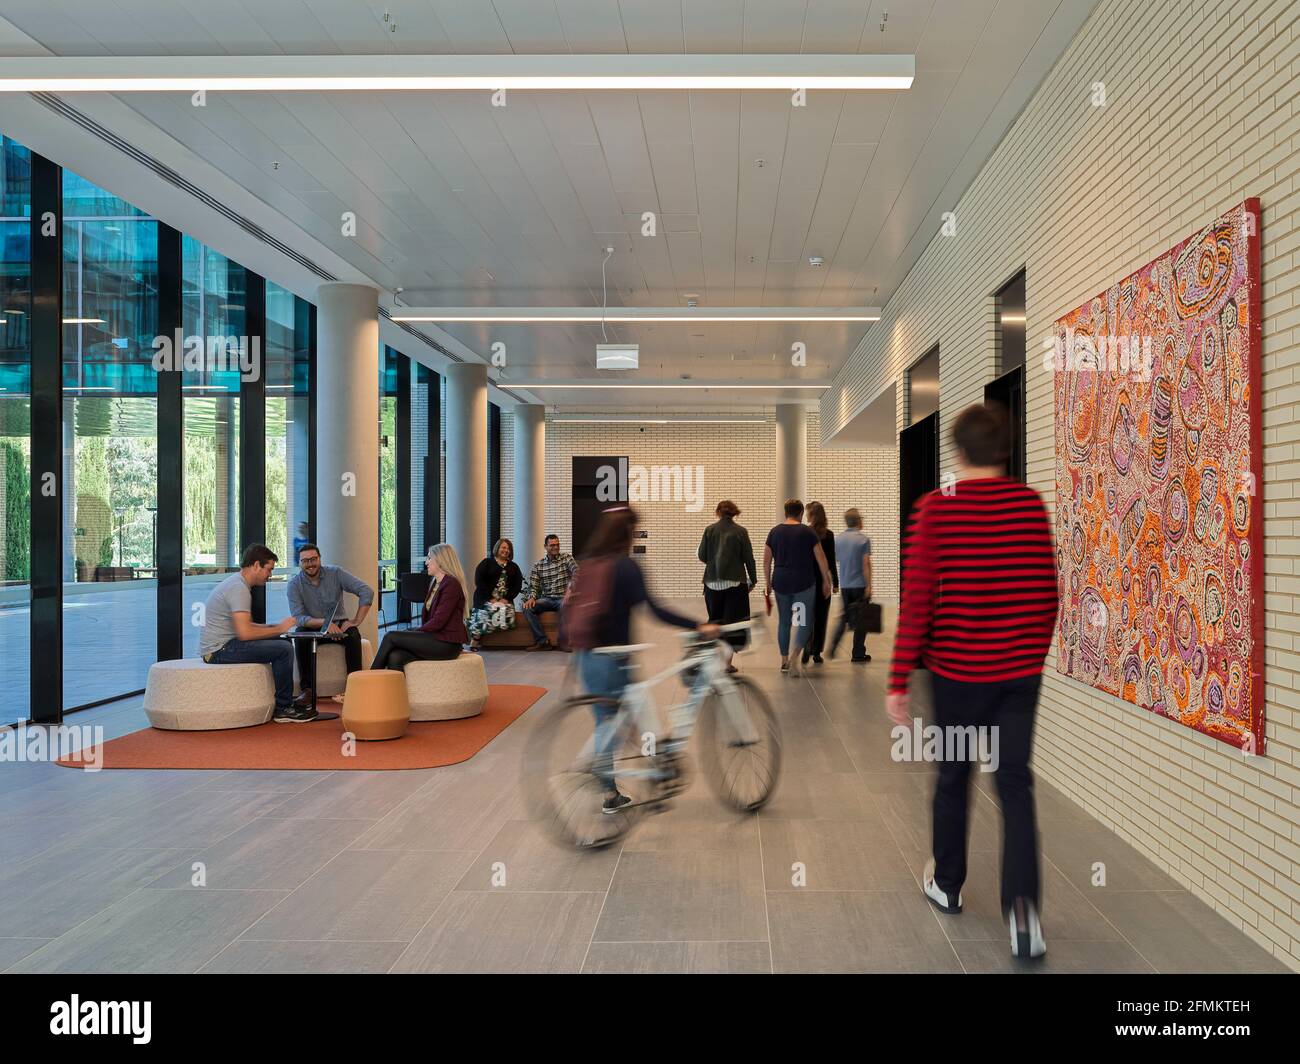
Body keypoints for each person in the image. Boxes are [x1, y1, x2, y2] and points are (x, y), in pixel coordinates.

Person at [887, 403, 1059, 959]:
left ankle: (948, 885)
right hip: (1018, 677)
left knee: (953, 777)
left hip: (957, 675)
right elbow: (1048, 594)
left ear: (959, 453)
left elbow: (917, 600)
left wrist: (898, 677)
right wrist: (1028, 657)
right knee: (1015, 785)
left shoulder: (938, 507)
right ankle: (1024, 914)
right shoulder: (1029, 505)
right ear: (1006, 449)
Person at [566, 505, 719, 813]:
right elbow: (655, 610)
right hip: (614, 661)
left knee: (609, 722)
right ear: (627, 533)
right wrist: (698, 625)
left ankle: (612, 794)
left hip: (585, 657)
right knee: (625, 721)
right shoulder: (625, 566)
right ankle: (610, 769)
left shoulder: (587, 564)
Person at [200, 544, 316, 723]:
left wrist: (272, 628)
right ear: (256, 565)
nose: (270, 575)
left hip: (226, 644)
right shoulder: (238, 588)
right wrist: (278, 628)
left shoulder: (237, 583)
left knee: (282, 639)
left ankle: (285, 700)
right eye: (269, 569)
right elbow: (245, 633)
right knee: (284, 649)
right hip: (217, 651)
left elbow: (244, 626)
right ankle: (283, 709)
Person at [286, 543, 374, 703]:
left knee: (353, 634)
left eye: (313, 559)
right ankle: (307, 690)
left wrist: (356, 620)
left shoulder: (336, 573)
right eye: (305, 561)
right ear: (299, 563)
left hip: (339, 624)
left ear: (320, 559)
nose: (310, 564)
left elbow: (366, 591)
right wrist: (325, 623)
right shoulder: (294, 585)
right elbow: (299, 617)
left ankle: (355, 688)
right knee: (300, 635)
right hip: (312, 626)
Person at [371, 543, 468, 671]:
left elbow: (439, 621)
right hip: (437, 638)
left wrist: (416, 631)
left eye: (429, 558)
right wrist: (413, 632)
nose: (426, 562)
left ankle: (369, 679)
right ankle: (392, 685)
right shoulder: (436, 583)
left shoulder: (451, 585)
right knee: (395, 657)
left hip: (447, 644)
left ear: (440, 561)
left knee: (390, 636)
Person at [763, 499, 832, 677]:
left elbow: (767, 560)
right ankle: (795, 656)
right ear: (801, 513)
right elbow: (821, 558)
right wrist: (826, 581)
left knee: (784, 621)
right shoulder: (808, 532)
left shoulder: (774, 532)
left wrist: (767, 583)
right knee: (803, 621)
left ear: (785, 512)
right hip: (803, 584)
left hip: (781, 583)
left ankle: (784, 661)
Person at [697, 500, 757, 674]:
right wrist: (753, 579)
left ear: (718, 512)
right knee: (733, 625)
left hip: (711, 583)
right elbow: (748, 558)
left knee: (715, 621)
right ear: (734, 513)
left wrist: (713, 561)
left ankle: (711, 661)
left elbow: (702, 555)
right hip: (735, 583)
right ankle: (726, 664)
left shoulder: (709, 530)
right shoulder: (741, 531)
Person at [828, 508, 873, 663]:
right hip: (860, 585)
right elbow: (866, 563)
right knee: (861, 620)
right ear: (858, 521)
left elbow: (837, 560)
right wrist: (869, 585)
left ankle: (833, 645)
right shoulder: (863, 539)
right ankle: (858, 653)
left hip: (845, 585)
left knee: (845, 616)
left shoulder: (839, 539)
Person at [521, 534, 577, 651]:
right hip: (547, 599)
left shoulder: (567, 558)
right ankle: (542, 641)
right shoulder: (539, 565)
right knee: (527, 608)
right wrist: (532, 597)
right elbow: (534, 585)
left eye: (557, 545)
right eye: (552, 545)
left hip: (562, 597)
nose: (555, 547)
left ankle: (563, 642)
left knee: (565, 605)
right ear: (545, 546)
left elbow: (577, 572)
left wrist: (570, 589)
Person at [468, 538, 524, 650]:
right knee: (486, 611)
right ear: (497, 548)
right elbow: (479, 581)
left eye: (508, 548)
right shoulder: (486, 563)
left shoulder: (514, 566)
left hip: (504, 600)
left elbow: (517, 585)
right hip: (485, 598)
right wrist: (490, 599)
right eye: (503, 547)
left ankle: (495, 639)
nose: (506, 550)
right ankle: (475, 639)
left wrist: (506, 599)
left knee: (506, 612)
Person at [801, 501, 838, 667]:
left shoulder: (804, 532)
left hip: (806, 580)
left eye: (808, 513)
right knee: (821, 617)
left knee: (806, 616)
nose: (806, 515)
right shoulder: (828, 535)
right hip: (823, 581)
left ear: (812, 515)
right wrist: (834, 582)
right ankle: (816, 652)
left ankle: (805, 647)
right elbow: (830, 560)